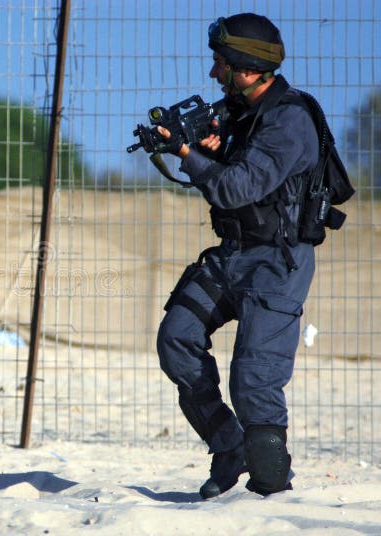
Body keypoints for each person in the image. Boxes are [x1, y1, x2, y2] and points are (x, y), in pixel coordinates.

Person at [155, 13, 322, 498]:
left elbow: (236, 188)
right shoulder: (238, 113)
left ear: (246, 67)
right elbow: (232, 173)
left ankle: (271, 487)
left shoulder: (290, 119)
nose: (213, 73)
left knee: (253, 378)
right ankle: (228, 445)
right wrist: (211, 145)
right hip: (231, 256)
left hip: (278, 264)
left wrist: (188, 154)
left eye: (220, 63)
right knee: (177, 338)